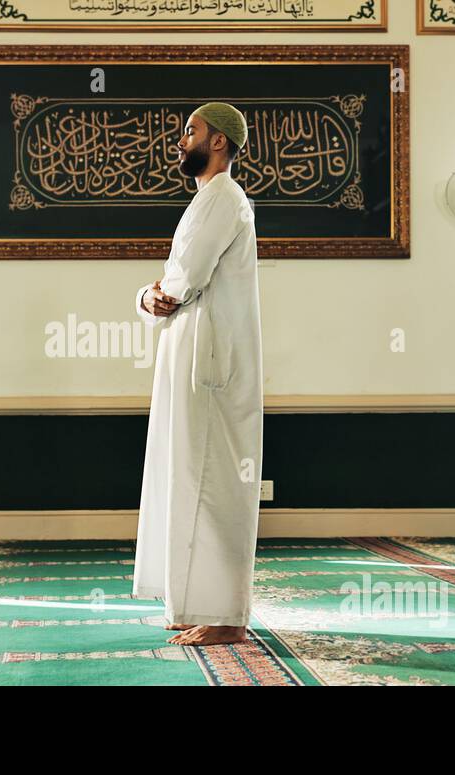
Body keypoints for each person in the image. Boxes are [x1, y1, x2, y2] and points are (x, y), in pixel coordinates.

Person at [132, 102, 263, 647]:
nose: (181, 140)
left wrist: (153, 294)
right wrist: (147, 296)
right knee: (188, 480)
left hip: (210, 364)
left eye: (191, 131)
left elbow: (183, 278)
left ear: (219, 142)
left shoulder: (224, 198)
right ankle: (193, 603)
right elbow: (167, 286)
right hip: (187, 356)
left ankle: (228, 616)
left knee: (215, 488)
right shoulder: (205, 200)